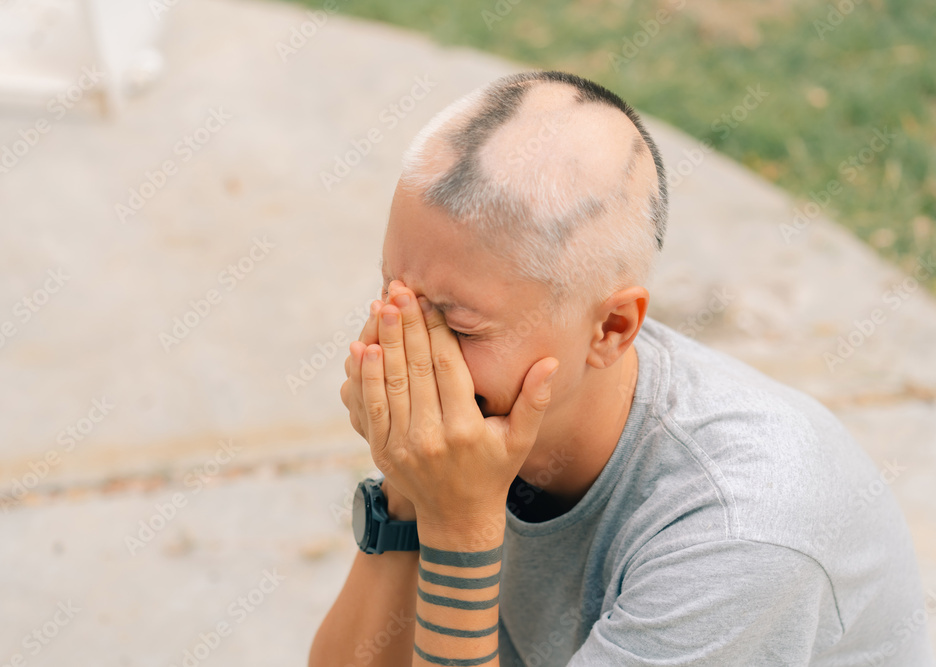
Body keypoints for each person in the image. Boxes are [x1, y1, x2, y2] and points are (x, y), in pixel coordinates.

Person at [309, 70, 935, 667]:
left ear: (610, 329)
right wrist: (409, 488)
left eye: (461, 326)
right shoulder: (476, 432)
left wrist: (458, 524)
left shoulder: (739, 536)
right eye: (393, 294)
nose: (406, 347)